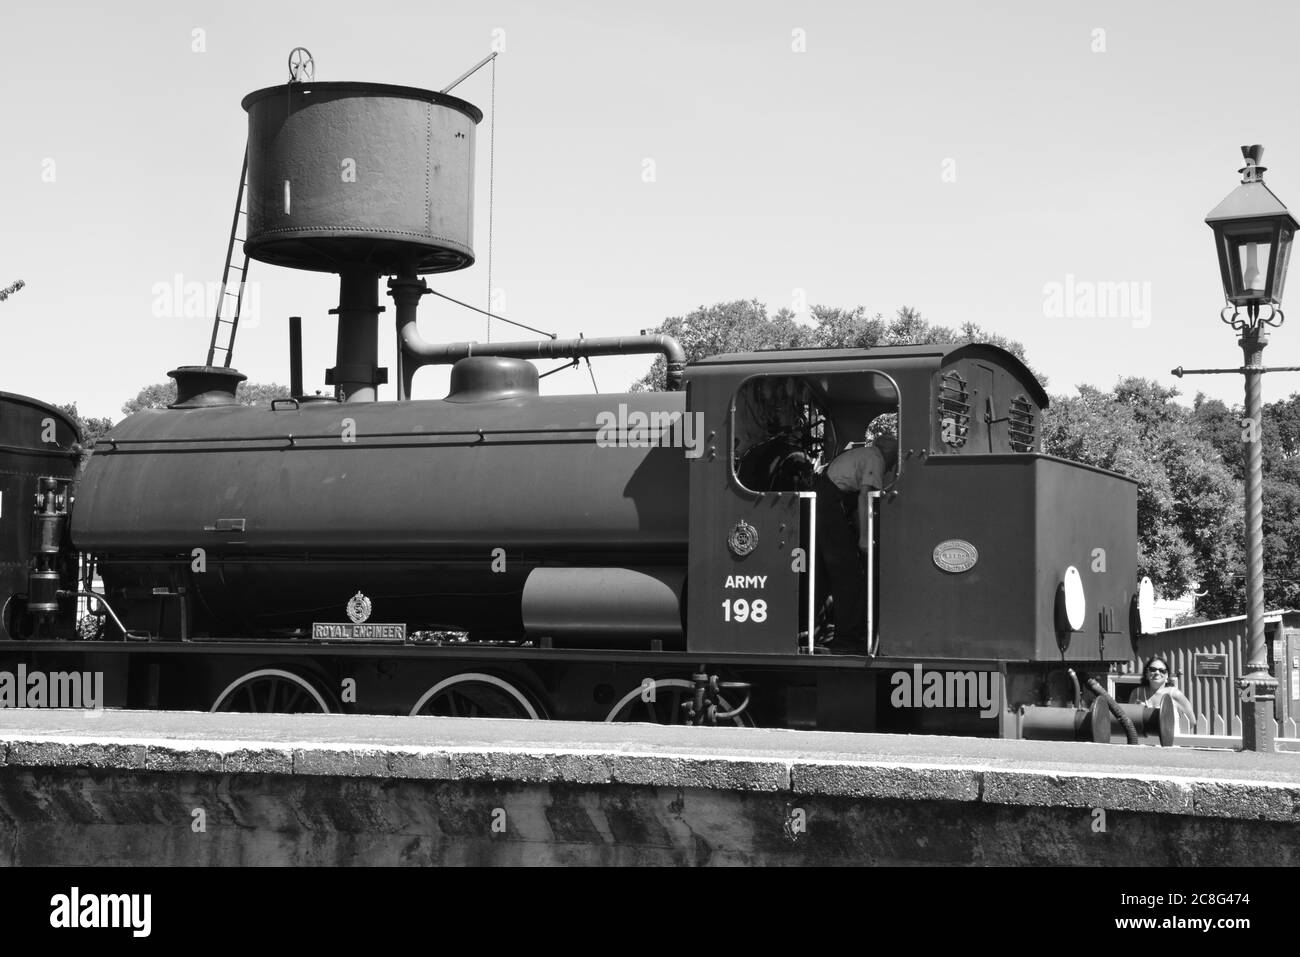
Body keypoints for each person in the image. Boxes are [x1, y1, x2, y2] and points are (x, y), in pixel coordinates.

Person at [813, 436, 897, 653]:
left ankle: (825, 629)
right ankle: (847, 639)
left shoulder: (865, 455)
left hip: (829, 502)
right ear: (889, 452)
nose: (894, 464)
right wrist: (864, 539)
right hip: (829, 505)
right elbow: (864, 497)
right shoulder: (875, 459)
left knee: (833, 571)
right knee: (849, 575)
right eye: (895, 457)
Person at [1129, 656, 1195, 723]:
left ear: (1166, 676)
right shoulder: (1136, 693)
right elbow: (1129, 720)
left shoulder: (1175, 694)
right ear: (1146, 674)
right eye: (1152, 669)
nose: (1157, 673)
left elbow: (1191, 722)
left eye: (1162, 671)